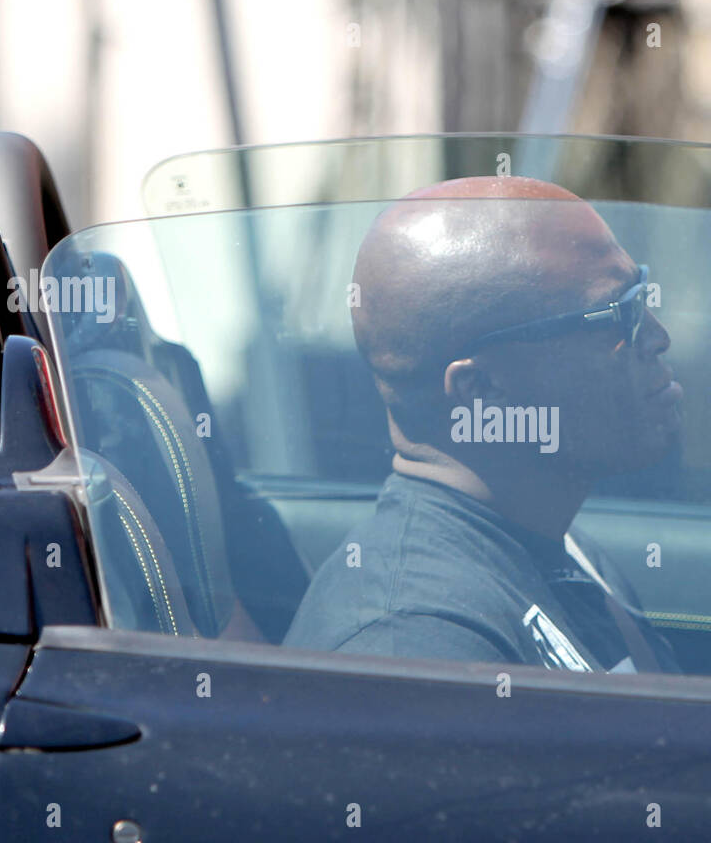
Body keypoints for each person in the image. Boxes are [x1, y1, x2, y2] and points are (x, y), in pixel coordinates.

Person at [284, 176, 684, 673]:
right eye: (619, 314)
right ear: (483, 392)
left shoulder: (562, 547)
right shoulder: (415, 644)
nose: (658, 337)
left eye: (642, 295)